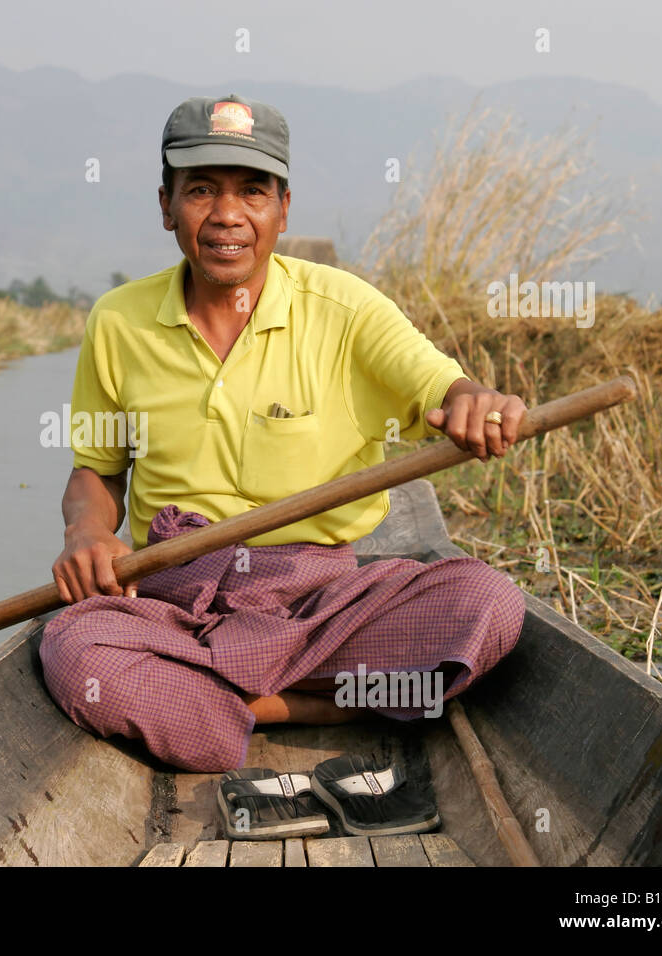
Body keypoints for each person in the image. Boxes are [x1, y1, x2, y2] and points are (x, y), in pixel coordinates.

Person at [40, 93, 527, 772]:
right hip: (176, 604)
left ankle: (234, 705)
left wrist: (477, 403)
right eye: (201, 190)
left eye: (252, 191)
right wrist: (86, 534)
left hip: (320, 606)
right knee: (74, 650)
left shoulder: (346, 308)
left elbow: (447, 388)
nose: (227, 215)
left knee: (488, 604)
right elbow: (97, 469)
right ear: (165, 206)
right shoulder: (117, 321)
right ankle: (324, 702)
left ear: (283, 208)